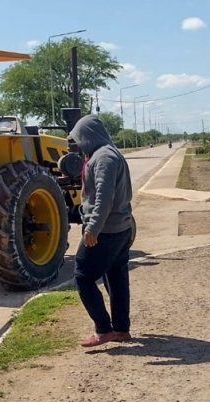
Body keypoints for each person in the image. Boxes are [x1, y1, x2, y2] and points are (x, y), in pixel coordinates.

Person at [69, 115, 134, 348]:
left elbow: (104, 197)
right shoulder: (107, 153)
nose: (77, 145)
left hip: (106, 230)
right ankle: (121, 329)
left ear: (88, 136)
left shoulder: (104, 157)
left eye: (78, 139)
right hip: (120, 228)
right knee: (116, 277)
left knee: (83, 276)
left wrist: (93, 227)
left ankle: (104, 329)